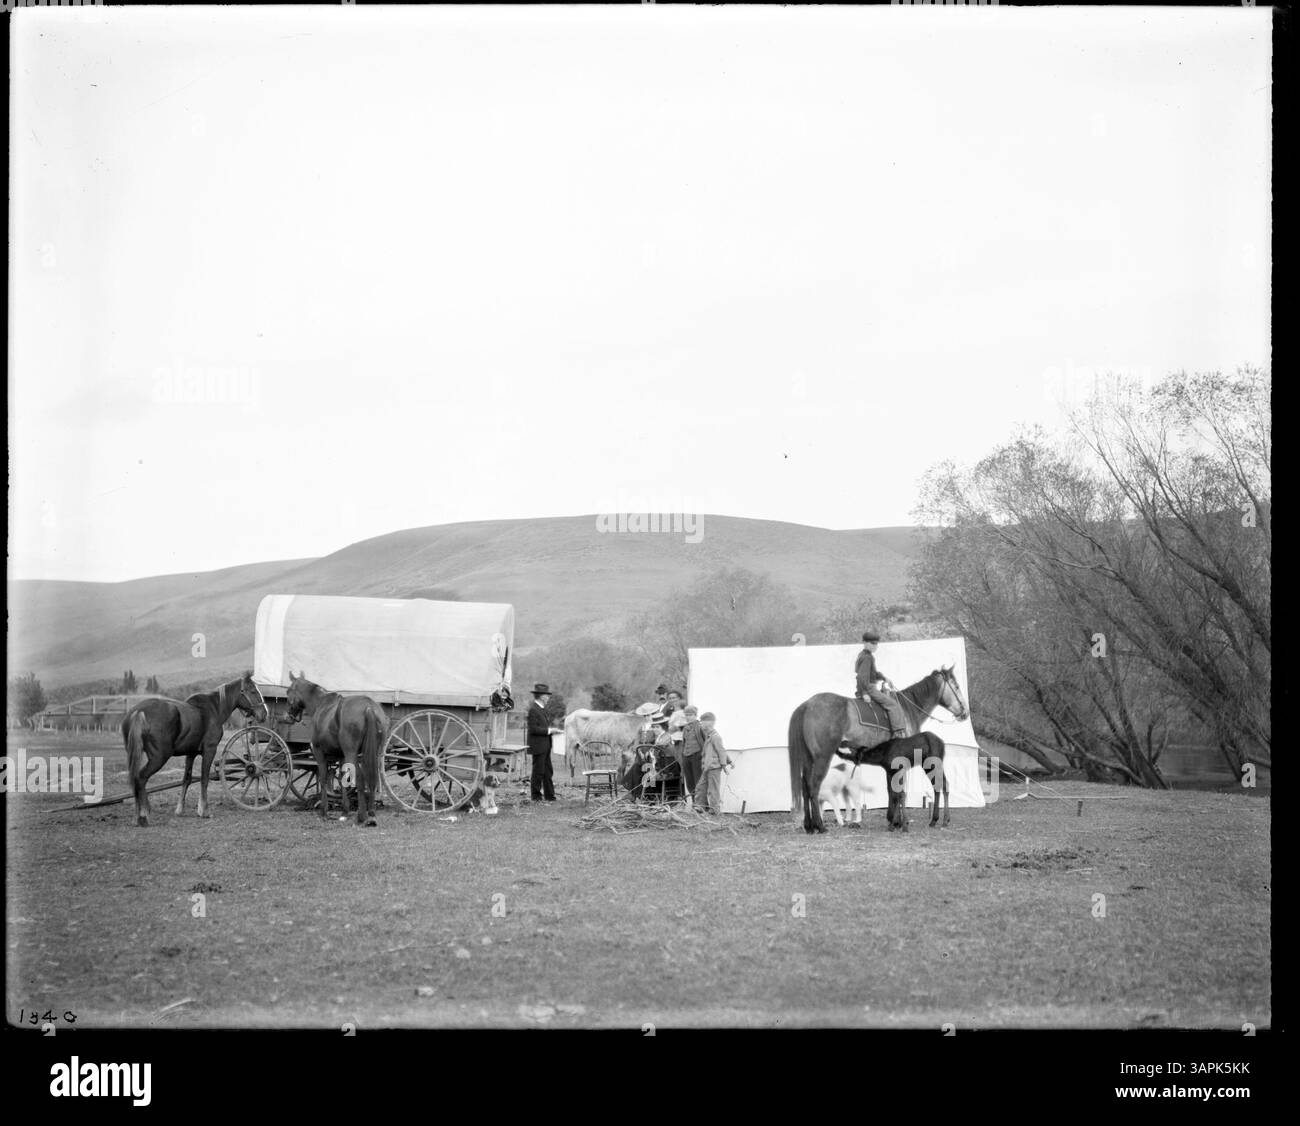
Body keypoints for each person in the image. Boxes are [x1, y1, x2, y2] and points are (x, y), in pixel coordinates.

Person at [855, 631, 907, 739]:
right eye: (872, 643)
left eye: (876, 643)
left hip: (867, 686)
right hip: (869, 688)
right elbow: (862, 676)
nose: (875, 646)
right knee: (893, 705)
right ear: (865, 643)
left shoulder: (864, 655)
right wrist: (864, 693)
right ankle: (898, 733)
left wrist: (884, 678)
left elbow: (872, 673)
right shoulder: (867, 657)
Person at [526, 683, 559, 802]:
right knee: (538, 772)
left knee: (548, 772)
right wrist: (550, 730)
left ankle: (550, 796)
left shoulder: (542, 710)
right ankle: (536, 797)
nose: (548, 698)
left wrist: (552, 731)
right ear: (541, 696)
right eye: (547, 695)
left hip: (545, 746)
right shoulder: (533, 710)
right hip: (538, 746)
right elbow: (533, 729)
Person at [697, 711, 731, 815]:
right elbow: (722, 750)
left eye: (702, 722)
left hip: (714, 768)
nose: (701, 725)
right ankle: (700, 807)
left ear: (709, 723)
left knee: (713, 789)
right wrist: (730, 761)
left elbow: (721, 751)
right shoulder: (709, 736)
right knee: (701, 787)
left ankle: (714, 810)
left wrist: (724, 765)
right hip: (707, 767)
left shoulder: (716, 737)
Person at [678, 705, 705, 805]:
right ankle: (694, 802)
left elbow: (706, 742)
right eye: (687, 715)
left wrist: (704, 755)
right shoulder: (685, 728)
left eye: (690, 715)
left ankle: (701, 804)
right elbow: (684, 742)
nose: (688, 717)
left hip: (697, 756)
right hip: (686, 756)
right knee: (689, 781)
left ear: (695, 715)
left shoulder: (700, 727)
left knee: (698, 780)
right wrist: (683, 756)